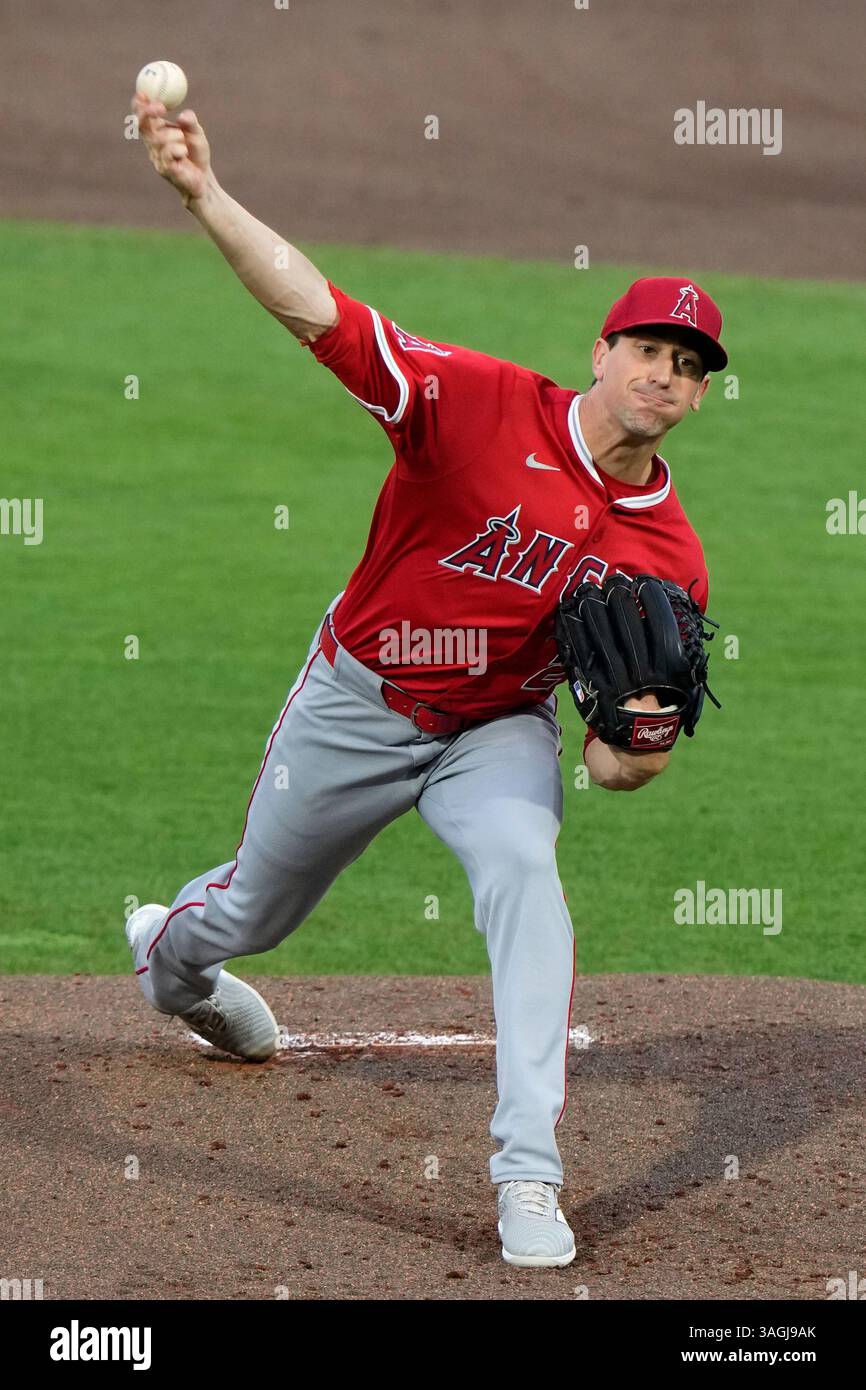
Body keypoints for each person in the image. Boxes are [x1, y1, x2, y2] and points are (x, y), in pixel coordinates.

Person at [125, 93, 727, 1269]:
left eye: (688, 366)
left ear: (701, 394)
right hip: (358, 699)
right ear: (600, 353)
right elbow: (319, 309)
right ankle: (173, 964)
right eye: (648, 348)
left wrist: (634, 750)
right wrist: (202, 194)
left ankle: (527, 1176)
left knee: (523, 870)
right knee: (253, 907)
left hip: (495, 727)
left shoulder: (671, 557)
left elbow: (616, 764)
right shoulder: (474, 401)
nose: (664, 374)